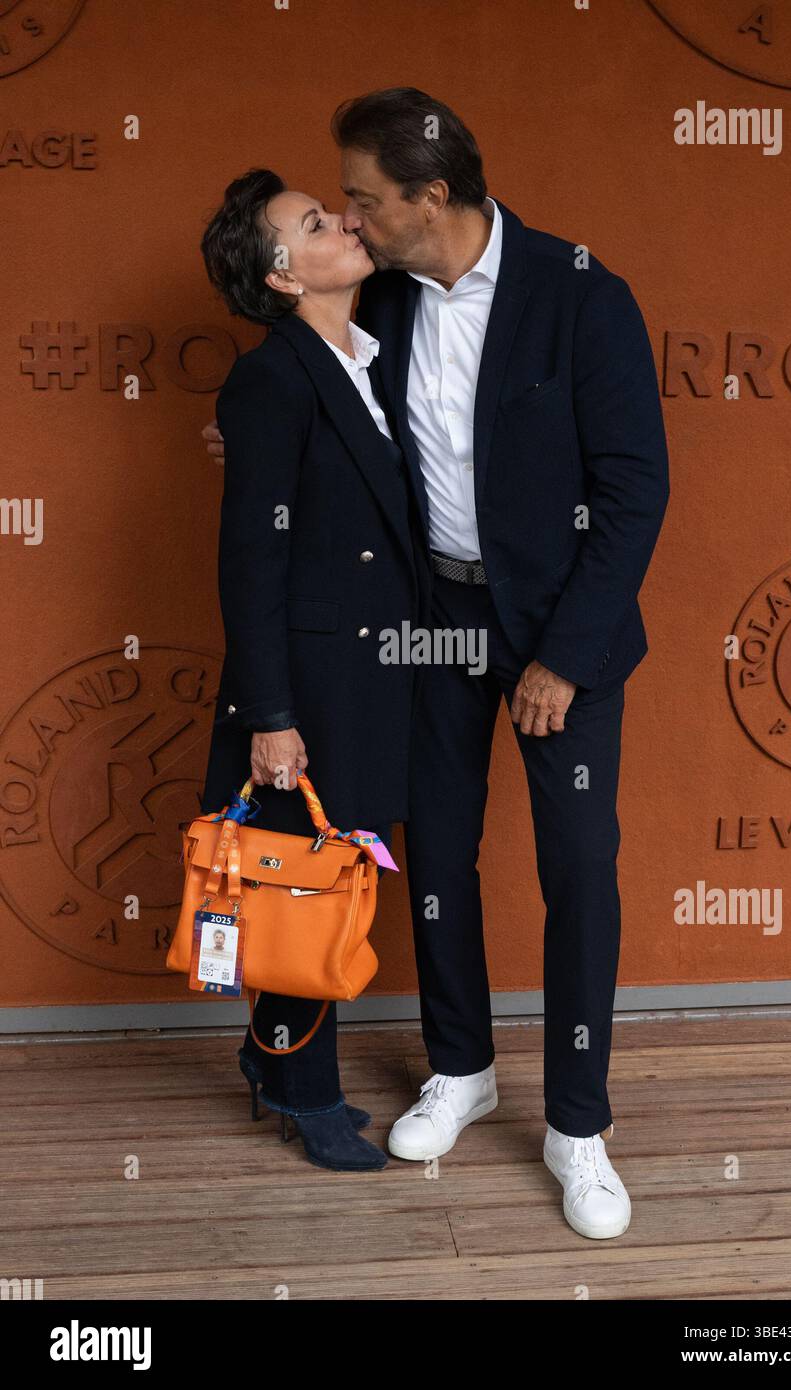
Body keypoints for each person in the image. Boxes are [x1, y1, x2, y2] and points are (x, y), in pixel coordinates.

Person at [203, 90, 670, 1238]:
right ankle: (462, 1069)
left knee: (575, 870)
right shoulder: (385, 308)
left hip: (561, 633)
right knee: (435, 853)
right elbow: (325, 411)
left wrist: (559, 657)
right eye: (333, 210)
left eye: (361, 200)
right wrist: (254, 433)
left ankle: (576, 1123)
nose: (352, 222)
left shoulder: (581, 296)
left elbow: (632, 493)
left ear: (431, 197)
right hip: (434, 628)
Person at [199, 166, 430, 1172]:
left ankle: (269, 1062)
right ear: (284, 276)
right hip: (305, 689)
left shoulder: (371, 360)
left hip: (375, 680)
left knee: (329, 882)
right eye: (311, 221)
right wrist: (269, 714)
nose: (340, 220)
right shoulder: (271, 376)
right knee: (300, 890)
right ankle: (307, 1093)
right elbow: (250, 558)